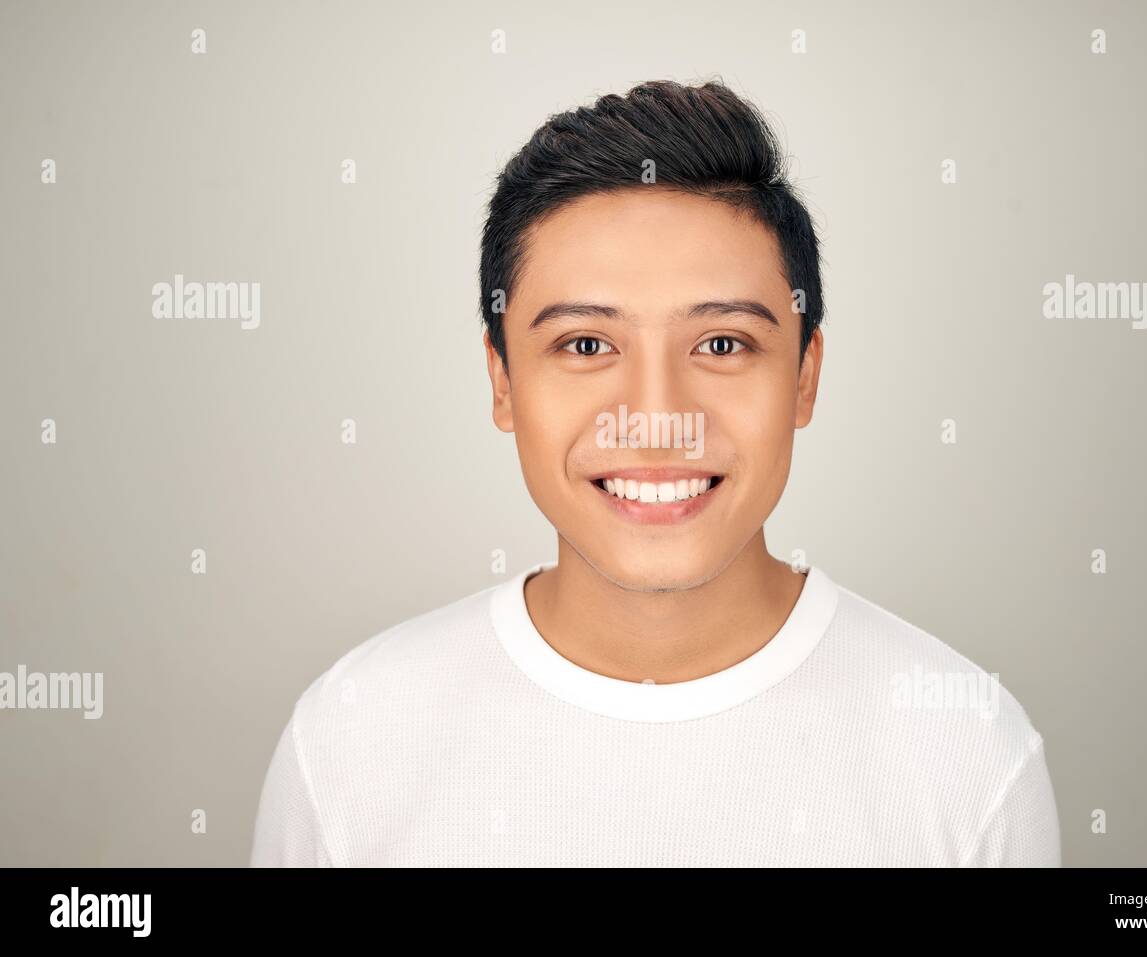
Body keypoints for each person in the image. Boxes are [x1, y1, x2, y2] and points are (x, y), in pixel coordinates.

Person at [251, 78, 1060, 866]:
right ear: (502, 380)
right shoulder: (351, 743)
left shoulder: (966, 754)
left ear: (805, 376)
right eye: (586, 345)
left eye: (721, 344)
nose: (654, 415)